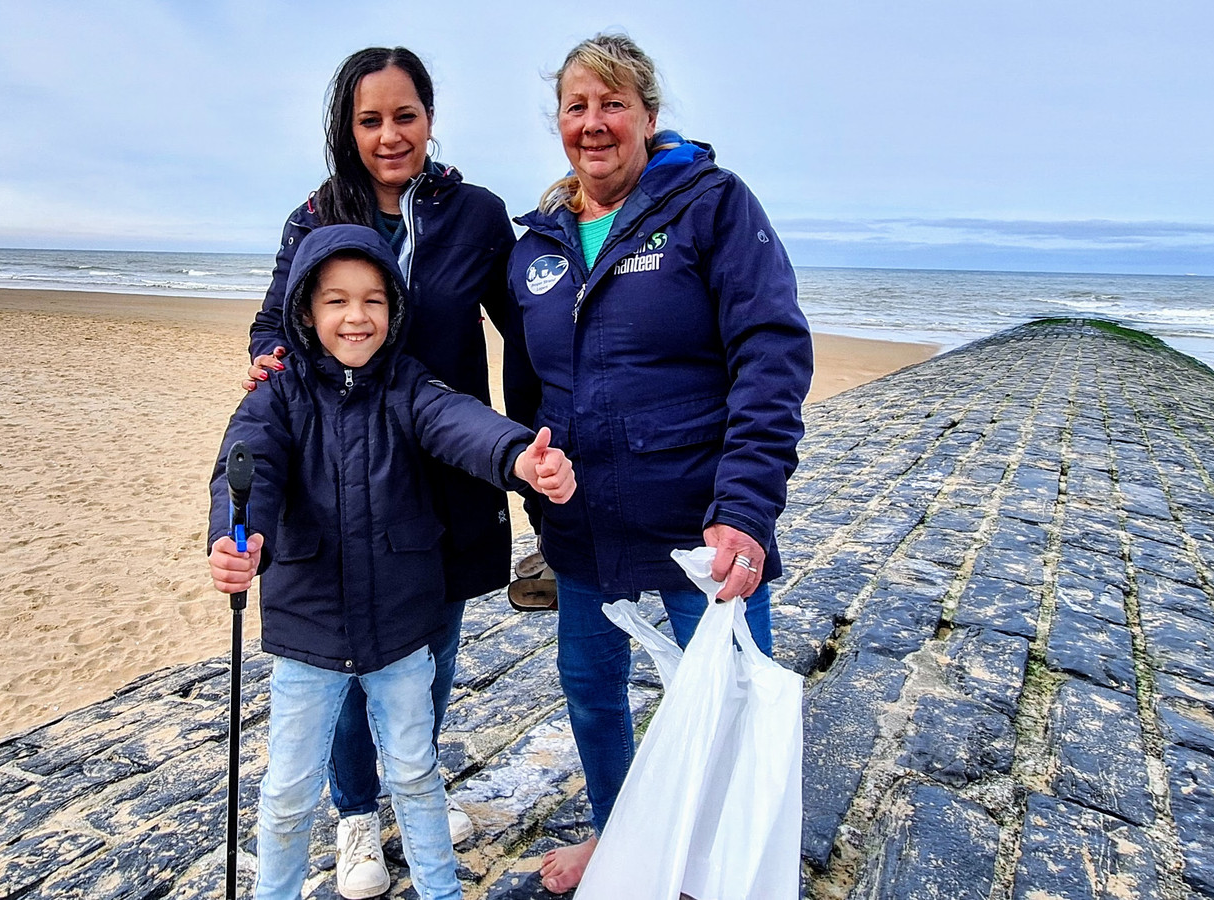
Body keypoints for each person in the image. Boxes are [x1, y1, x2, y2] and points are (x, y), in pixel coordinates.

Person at [504, 33, 813, 893]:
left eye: (612, 105)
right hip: (582, 537)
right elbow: (527, 393)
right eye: (576, 106)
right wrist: (539, 503)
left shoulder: (710, 206)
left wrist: (744, 509)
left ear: (647, 114)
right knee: (592, 694)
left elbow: (772, 353)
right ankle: (618, 837)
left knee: (725, 709)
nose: (593, 124)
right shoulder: (534, 246)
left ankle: (715, 866)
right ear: (557, 121)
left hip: (697, 525)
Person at [242, 45, 536, 897]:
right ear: (347, 126)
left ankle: (415, 789)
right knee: (338, 656)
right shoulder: (315, 215)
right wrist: (269, 363)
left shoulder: (477, 213)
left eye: (404, 116)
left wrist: (529, 430)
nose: (388, 135)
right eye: (369, 120)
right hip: (334, 477)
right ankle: (357, 815)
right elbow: (273, 323)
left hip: (443, 465)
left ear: (430, 119)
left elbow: (525, 326)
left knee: (427, 652)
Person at [210, 225, 575, 900]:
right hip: (307, 634)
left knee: (415, 775)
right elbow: (248, 465)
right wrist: (236, 537)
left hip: (403, 627)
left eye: (374, 301)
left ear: (394, 311)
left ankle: (439, 890)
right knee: (288, 790)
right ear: (305, 311)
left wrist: (521, 458)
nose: (356, 317)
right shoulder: (277, 392)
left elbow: (461, 423)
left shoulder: (408, 383)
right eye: (336, 301)